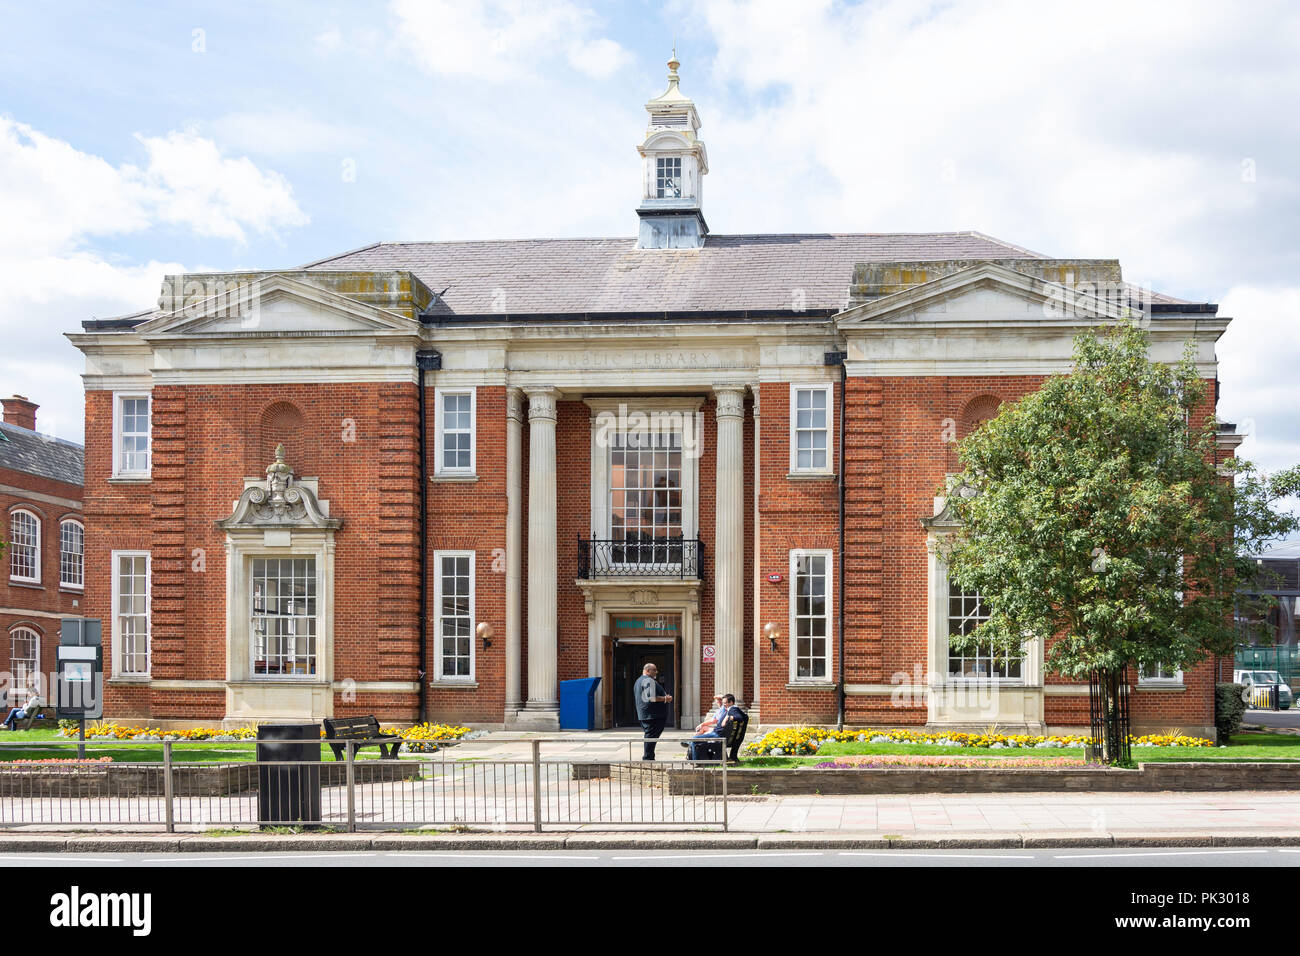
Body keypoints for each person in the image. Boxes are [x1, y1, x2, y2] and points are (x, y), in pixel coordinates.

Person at [633, 663, 672, 760]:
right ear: (647, 671)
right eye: (654, 670)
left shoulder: (639, 680)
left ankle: (649, 757)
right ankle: (648, 758)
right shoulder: (648, 680)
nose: (656, 672)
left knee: (650, 736)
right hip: (652, 716)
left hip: (646, 715)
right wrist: (665, 698)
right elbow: (651, 697)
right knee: (651, 737)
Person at [687, 693, 743, 761]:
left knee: (694, 740)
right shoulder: (729, 709)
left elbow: (740, 717)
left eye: (724, 703)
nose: (723, 704)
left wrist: (729, 717)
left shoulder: (733, 709)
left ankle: (695, 761)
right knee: (700, 734)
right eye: (723, 703)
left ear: (731, 702)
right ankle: (690, 745)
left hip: (718, 735)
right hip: (718, 733)